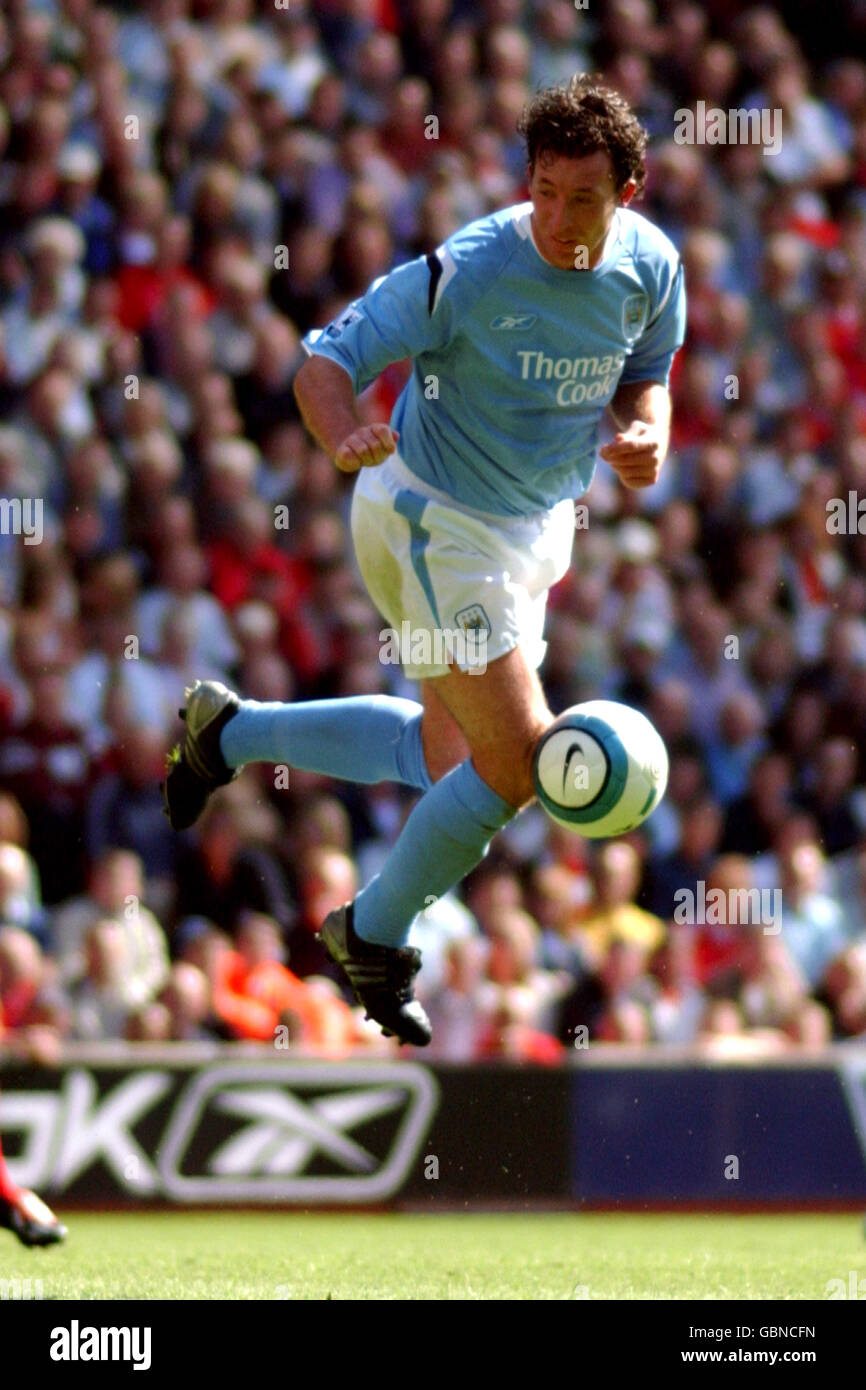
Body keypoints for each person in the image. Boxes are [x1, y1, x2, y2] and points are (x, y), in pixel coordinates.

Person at [163, 75, 686, 1046]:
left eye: (583, 198)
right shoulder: (472, 270)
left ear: (628, 195)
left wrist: (644, 431)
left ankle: (227, 733)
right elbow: (322, 360)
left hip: (533, 531)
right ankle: (372, 930)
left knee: (449, 763)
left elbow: (646, 377)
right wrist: (337, 432)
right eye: (544, 189)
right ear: (525, 180)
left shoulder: (650, 268)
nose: (560, 216)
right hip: (431, 516)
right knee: (519, 763)